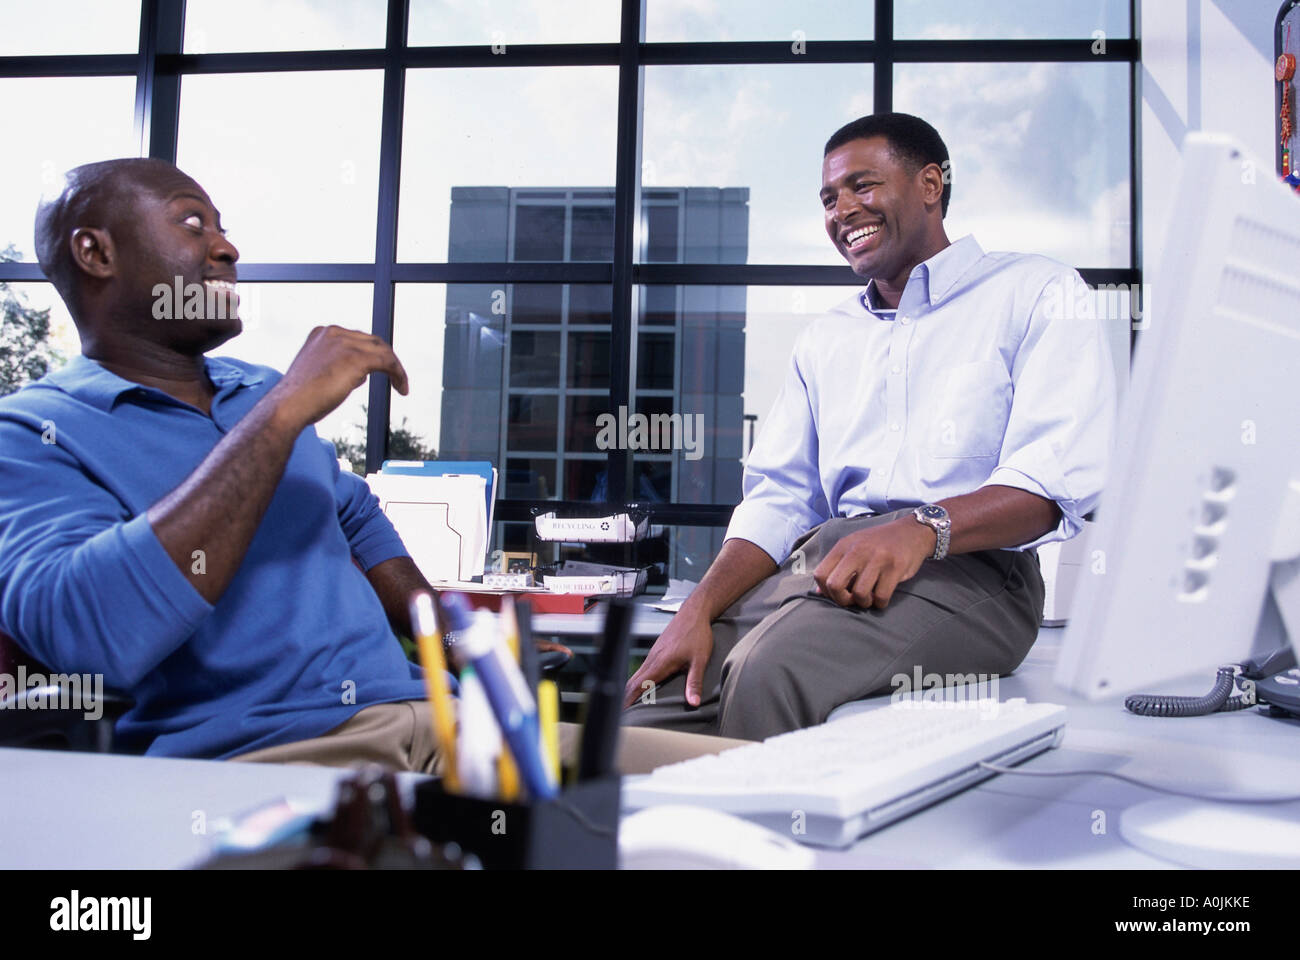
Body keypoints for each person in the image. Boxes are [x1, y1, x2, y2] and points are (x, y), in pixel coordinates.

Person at [0, 158, 743, 773]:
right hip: (278, 757)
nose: (226, 248)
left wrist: (457, 645)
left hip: (448, 725)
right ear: (96, 252)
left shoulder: (254, 390)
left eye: (224, 228)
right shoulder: (34, 431)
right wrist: (283, 412)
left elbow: (356, 518)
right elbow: (90, 635)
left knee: (745, 790)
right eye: (193, 223)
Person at [622, 112, 1116, 741]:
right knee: (652, 698)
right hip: (824, 565)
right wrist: (697, 608)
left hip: (969, 570)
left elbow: (1051, 486)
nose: (842, 210)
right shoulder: (826, 338)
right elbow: (780, 502)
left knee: (772, 671)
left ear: (931, 184)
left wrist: (920, 528)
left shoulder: (1035, 291)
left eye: (862, 186)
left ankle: (767, 841)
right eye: (829, 198)